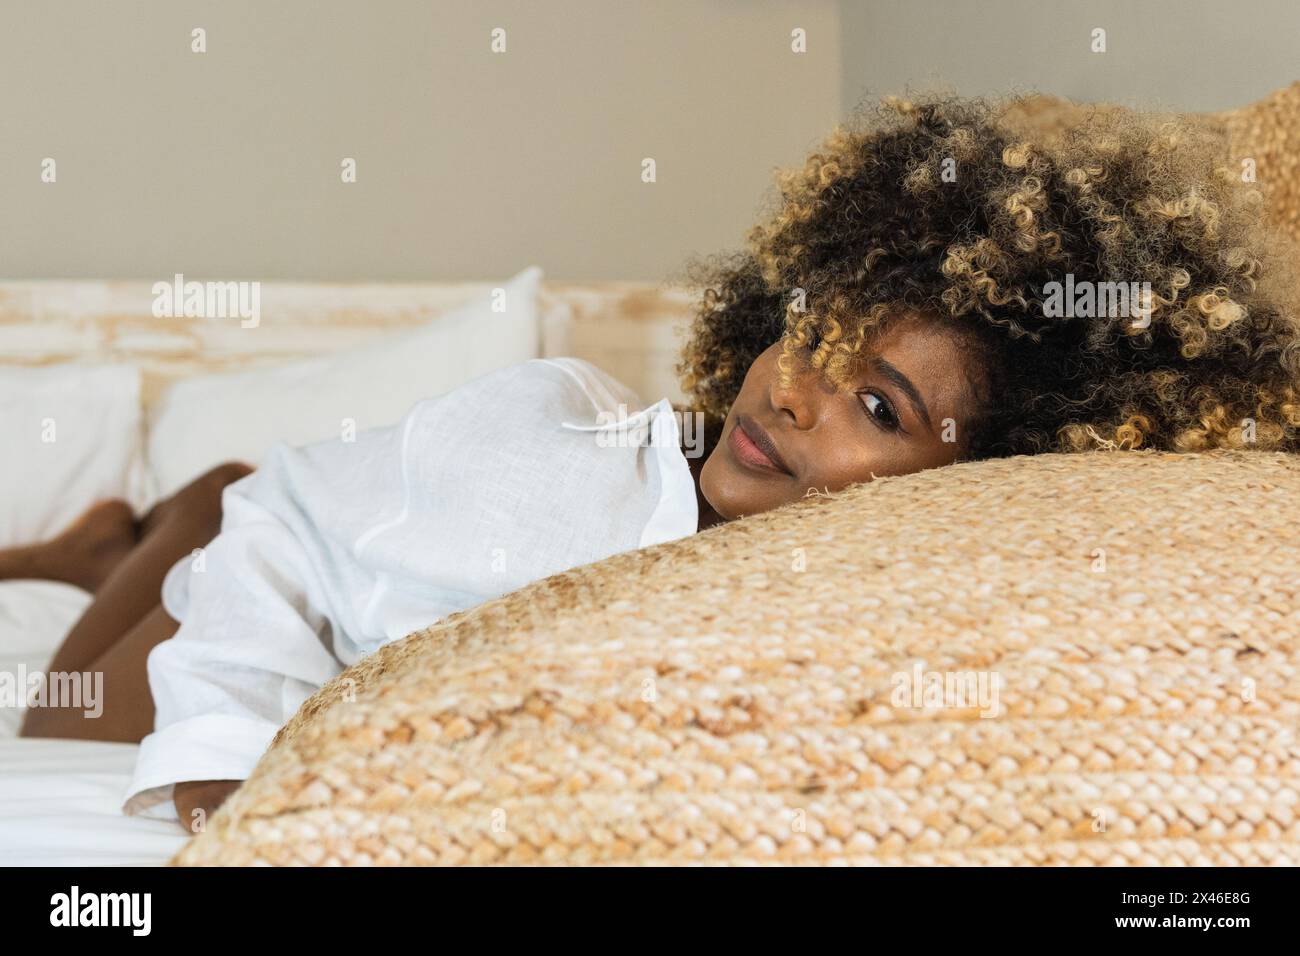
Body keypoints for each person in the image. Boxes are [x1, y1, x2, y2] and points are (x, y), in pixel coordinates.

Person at [11, 95, 1299, 830]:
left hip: (323, 514)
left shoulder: (875, 607)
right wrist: (222, 772)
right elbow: (283, 530)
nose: (793, 384)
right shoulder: (546, 454)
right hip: (266, 567)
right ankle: (94, 545)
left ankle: (137, 523)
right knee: (73, 684)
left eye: (873, 401)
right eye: (813, 330)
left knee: (239, 487)